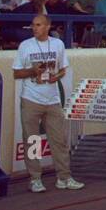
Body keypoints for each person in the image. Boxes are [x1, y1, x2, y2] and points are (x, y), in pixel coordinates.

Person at [12, 13, 85, 193]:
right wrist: (32, 71)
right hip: (31, 98)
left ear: (47, 26)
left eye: (38, 25)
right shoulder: (25, 46)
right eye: (33, 25)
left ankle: (64, 177)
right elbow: (16, 73)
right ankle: (35, 178)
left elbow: (62, 70)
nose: (35, 28)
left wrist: (56, 77)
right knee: (32, 140)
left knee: (59, 140)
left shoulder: (58, 44)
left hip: (52, 99)